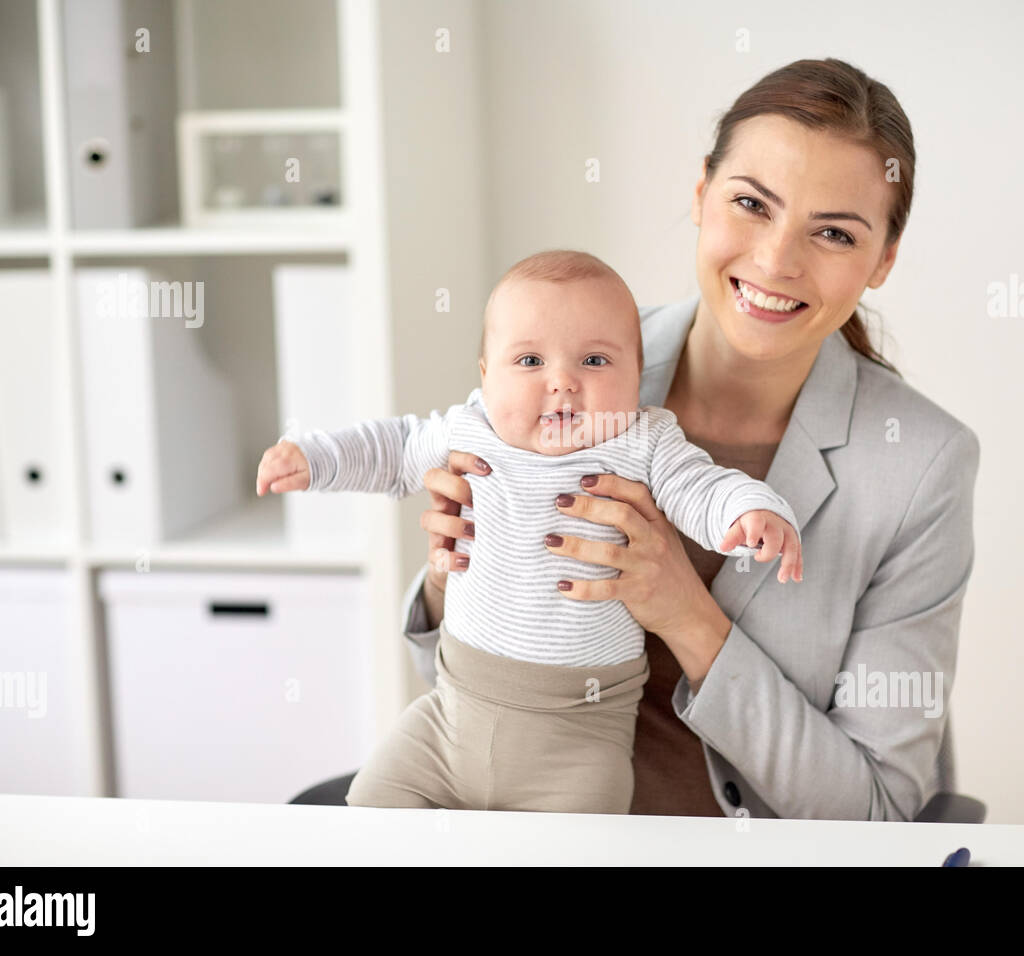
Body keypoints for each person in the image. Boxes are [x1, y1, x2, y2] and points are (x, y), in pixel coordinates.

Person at [401, 58, 980, 821]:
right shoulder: (568, 366)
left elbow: (877, 816)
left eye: (834, 232)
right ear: (702, 195)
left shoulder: (919, 466)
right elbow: (447, 695)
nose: (777, 260)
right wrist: (453, 571)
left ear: (883, 261)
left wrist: (685, 613)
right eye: (751, 204)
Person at [256, 249, 802, 813]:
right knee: (370, 809)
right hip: (447, 723)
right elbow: (390, 448)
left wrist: (748, 512)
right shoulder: (472, 430)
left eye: (594, 361)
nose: (562, 383)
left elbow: (702, 487)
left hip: (578, 744)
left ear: (638, 377)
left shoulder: (641, 443)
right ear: (486, 375)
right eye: (530, 361)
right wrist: (316, 458)